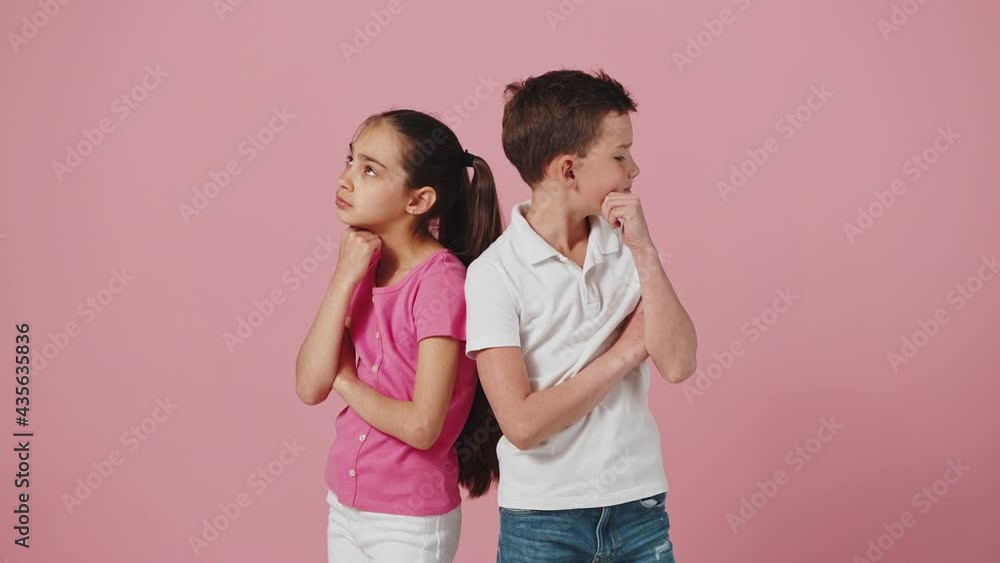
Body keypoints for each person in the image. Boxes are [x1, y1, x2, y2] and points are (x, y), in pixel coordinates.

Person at [464, 69, 698, 562]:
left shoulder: (627, 245)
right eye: (619, 155)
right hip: (542, 520)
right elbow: (522, 424)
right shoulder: (494, 274)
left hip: (639, 507)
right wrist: (625, 353)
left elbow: (678, 364)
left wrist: (645, 250)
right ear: (568, 170)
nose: (634, 168)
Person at [295, 109, 503, 562]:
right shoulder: (362, 266)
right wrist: (343, 278)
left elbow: (422, 427)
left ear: (418, 200)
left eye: (369, 170)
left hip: (406, 521)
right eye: (350, 160)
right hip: (346, 504)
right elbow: (310, 385)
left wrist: (345, 380)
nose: (346, 179)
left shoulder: (440, 284)